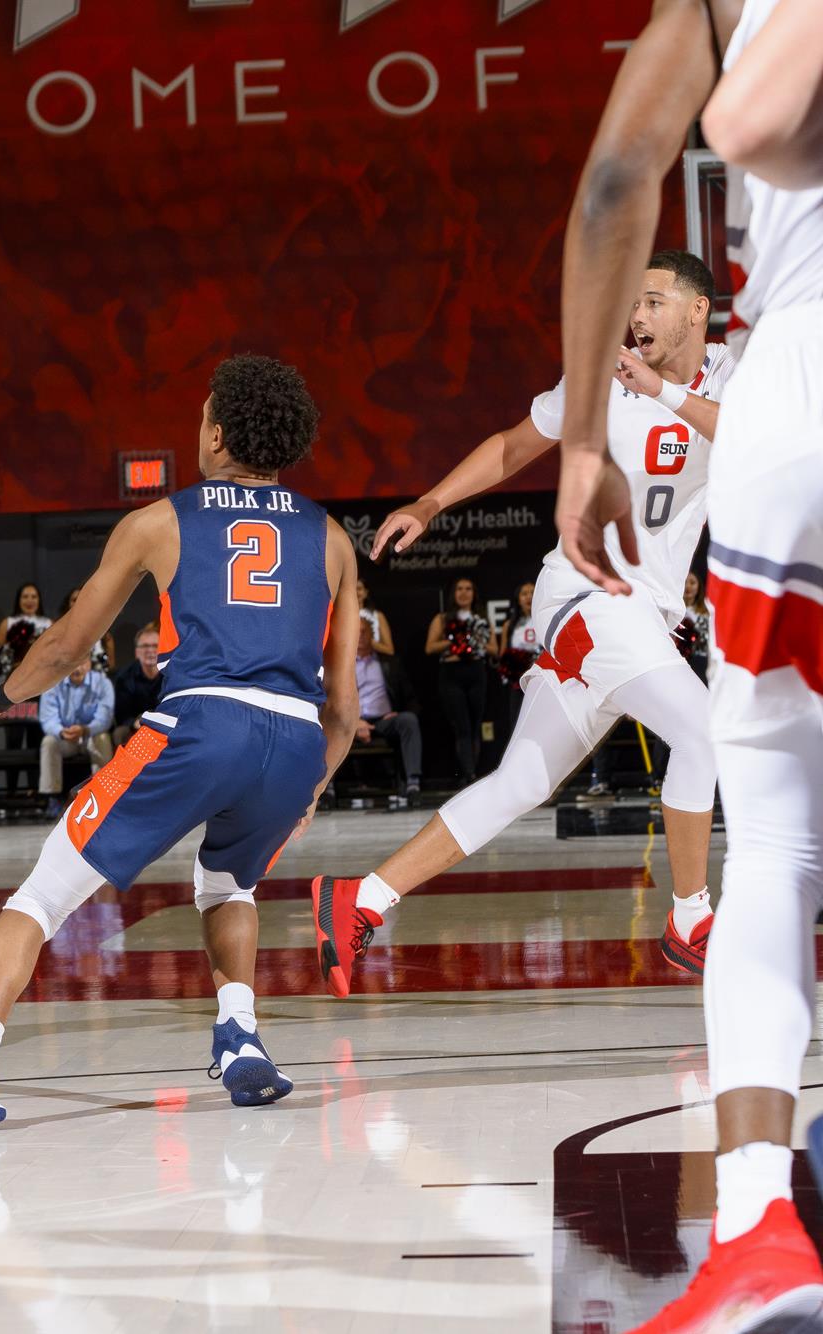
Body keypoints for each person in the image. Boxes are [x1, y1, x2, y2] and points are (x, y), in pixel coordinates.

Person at [548, 1, 823, 1323]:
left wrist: (582, 438)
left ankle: (761, 1218)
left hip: (798, 395)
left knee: (772, 840)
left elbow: (622, 176)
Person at [0, 354, 359, 1130]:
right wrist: (311, 788)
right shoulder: (331, 540)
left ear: (216, 434)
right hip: (293, 739)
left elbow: (62, 652)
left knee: (41, 896)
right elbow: (347, 711)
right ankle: (241, 1037)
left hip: (202, 724)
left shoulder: (159, 520)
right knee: (227, 884)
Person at [314, 250, 733, 1020]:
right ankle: (691, 917)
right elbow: (513, 444)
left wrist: (666, 393)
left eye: (652, 300)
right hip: (587, 597)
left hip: (644, 615)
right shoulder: (598, 378)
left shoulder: (728, 375)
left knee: (520, 786)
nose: (635, 316)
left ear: (698, 311)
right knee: (706, 734)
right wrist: (431, 503)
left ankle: (359, 898)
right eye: (631, 301)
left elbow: (757, 440)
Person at [426, 577, 491, 784]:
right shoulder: (443, 618)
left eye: (468, 589)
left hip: (476, 671)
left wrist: (473, 640)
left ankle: (475, 773)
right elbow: (430, 647)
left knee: (475, 724)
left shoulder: (480, 618)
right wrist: (455, 640)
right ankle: (468, 774)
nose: (464, 593)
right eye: (460, 589)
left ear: (474, 593)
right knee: (461, 726)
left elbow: (494, 649)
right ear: (453, 593)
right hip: (452, 673)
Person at [353, 619, 421, 796]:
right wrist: (354, 722)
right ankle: (326, 789)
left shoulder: (389, 663)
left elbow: (411, 698)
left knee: (408, 720)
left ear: (372, 635)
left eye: (364, 631)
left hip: (383, 721)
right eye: (356, 631)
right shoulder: (342, 666)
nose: (360, 635)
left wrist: (398, 712)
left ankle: (413, 782)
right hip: (351, 722)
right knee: (327, 724)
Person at [37, 661, 114, 815]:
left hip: (91, 735)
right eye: (73, 662)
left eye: (82, 662)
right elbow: (48, 718)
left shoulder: (102, 682)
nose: (77, 667)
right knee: (48, 742)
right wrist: (61, 732)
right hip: (65, 738)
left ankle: (106, 794)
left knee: (104, 738)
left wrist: (86, 729)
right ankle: (52, 797)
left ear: (90, 664)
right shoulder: (53, 682)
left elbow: (105, 717)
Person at [109, 624, 164, 747]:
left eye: (155, 645)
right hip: (135, 726)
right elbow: (122, 716)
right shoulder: (124, 677)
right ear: (137, 652)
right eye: (145, 646)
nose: (150, 650)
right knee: (120, 733)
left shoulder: (172, 676)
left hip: (164, 725)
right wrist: (136, 723)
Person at [58, 587, 114, 671]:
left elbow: (110, 667)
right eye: (74, 600)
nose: (78, 602)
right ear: (68, 604)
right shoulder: (58, 633)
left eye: (82, 598)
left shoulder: (105, 636)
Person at [0, 582, 51, 647]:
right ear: (19, 600)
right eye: (25, 597)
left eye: (34, 597)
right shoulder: (7, 623)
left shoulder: (48, 623)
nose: (29, 600)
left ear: (39, 600)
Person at [357, 579, 395, 656]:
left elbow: (390, 650)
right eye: (352, 589)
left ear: (366, 592)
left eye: (359, 589)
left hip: (371, 664)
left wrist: (369, 642)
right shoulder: (340, 616)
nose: (356, 592)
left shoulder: (377, 616)